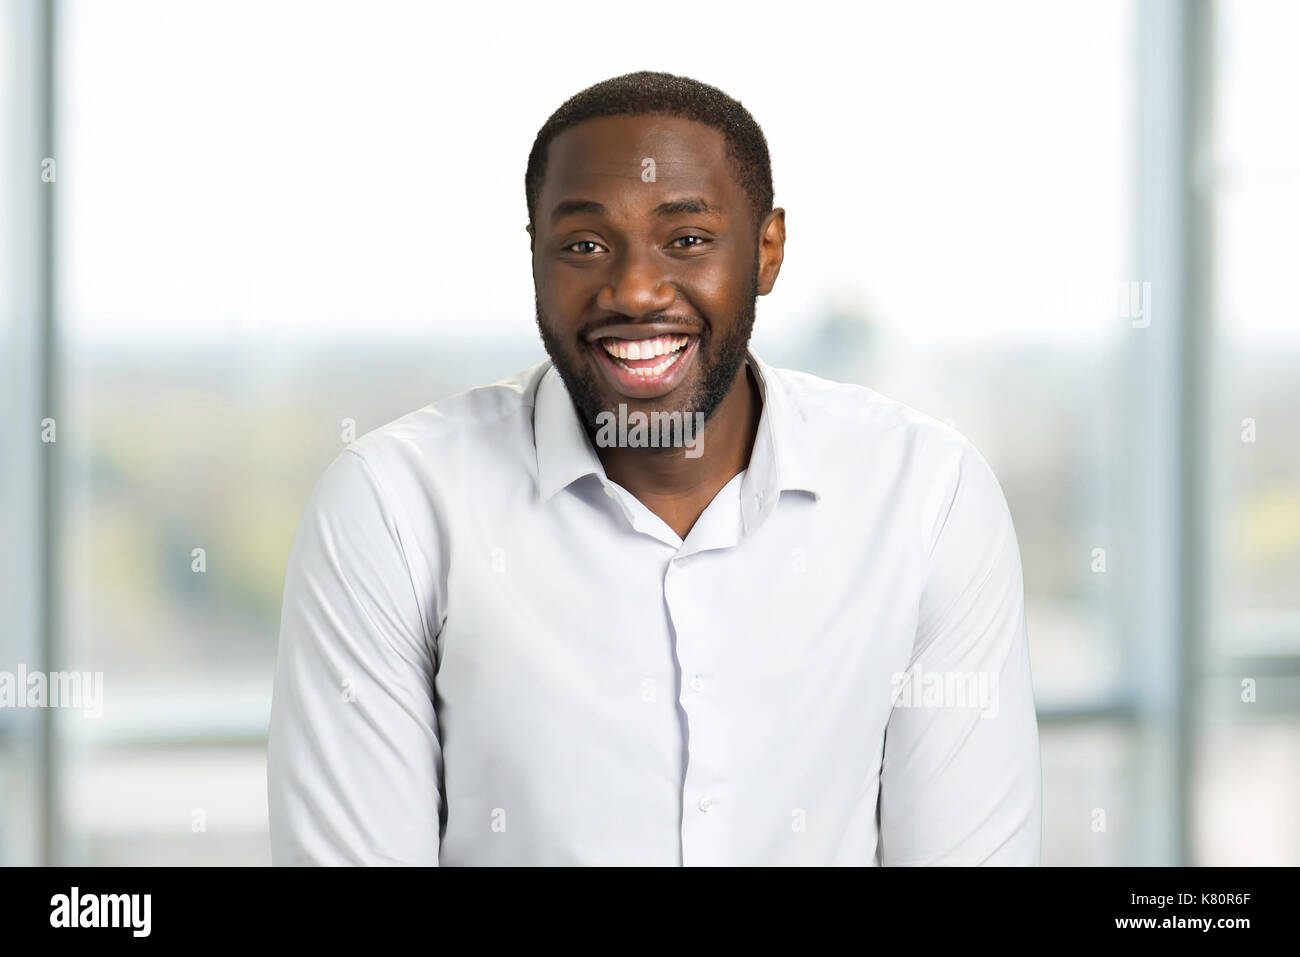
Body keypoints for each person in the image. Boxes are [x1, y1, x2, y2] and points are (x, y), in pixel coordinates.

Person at [267, 70, 1042, 865]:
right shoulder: (392, 507)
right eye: (586, 245)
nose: (634, 289)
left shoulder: (926, 495)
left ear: (767, 251)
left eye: (688, 239)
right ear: (534, 255)